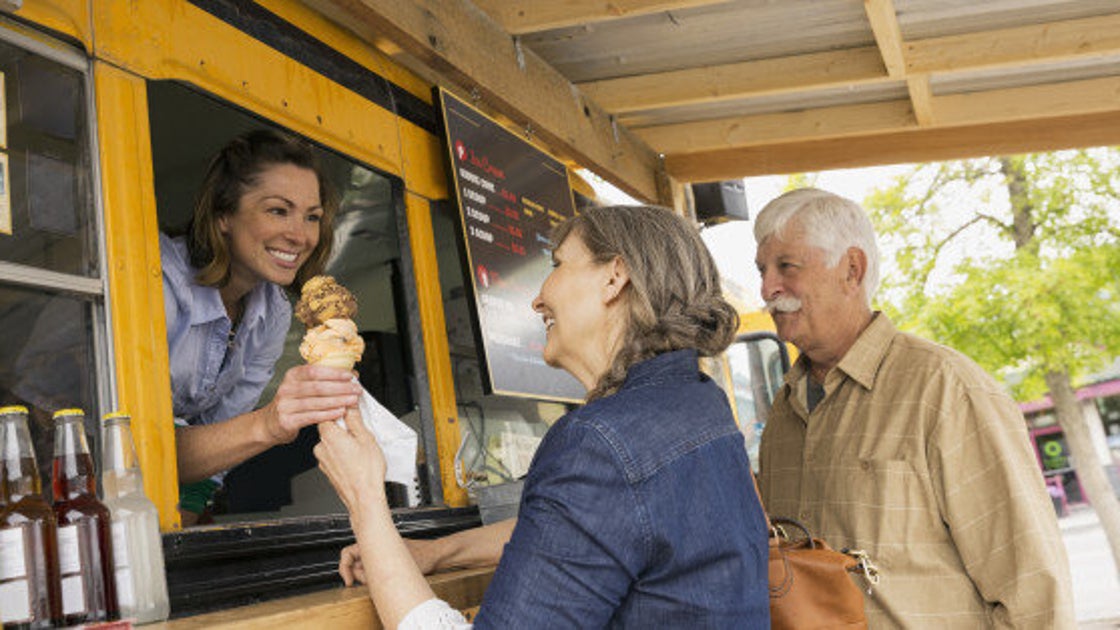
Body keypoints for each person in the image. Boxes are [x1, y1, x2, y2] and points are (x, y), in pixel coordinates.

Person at [316, 205, 770, 628]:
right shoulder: (699, 402)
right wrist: (438, 552)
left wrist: (366, 502)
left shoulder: (601, 443)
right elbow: (597, 528)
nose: (537, 300)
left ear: (616, 277)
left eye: (556, 265)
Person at [752, 187, 1075, 627]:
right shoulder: (784, 412)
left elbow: (1034, 591)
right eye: (762, 270)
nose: (768, 288)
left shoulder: (945, 389)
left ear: (852, 269)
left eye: (786, 266)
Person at [161, 129, 361, 524]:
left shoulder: (274, 311)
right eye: (277, 210)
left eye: (312, 217)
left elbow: (217, 441)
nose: (299, 235)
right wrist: (271, 423)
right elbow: (131, 446)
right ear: (223, 215)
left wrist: (186, 523)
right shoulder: (159, 283)